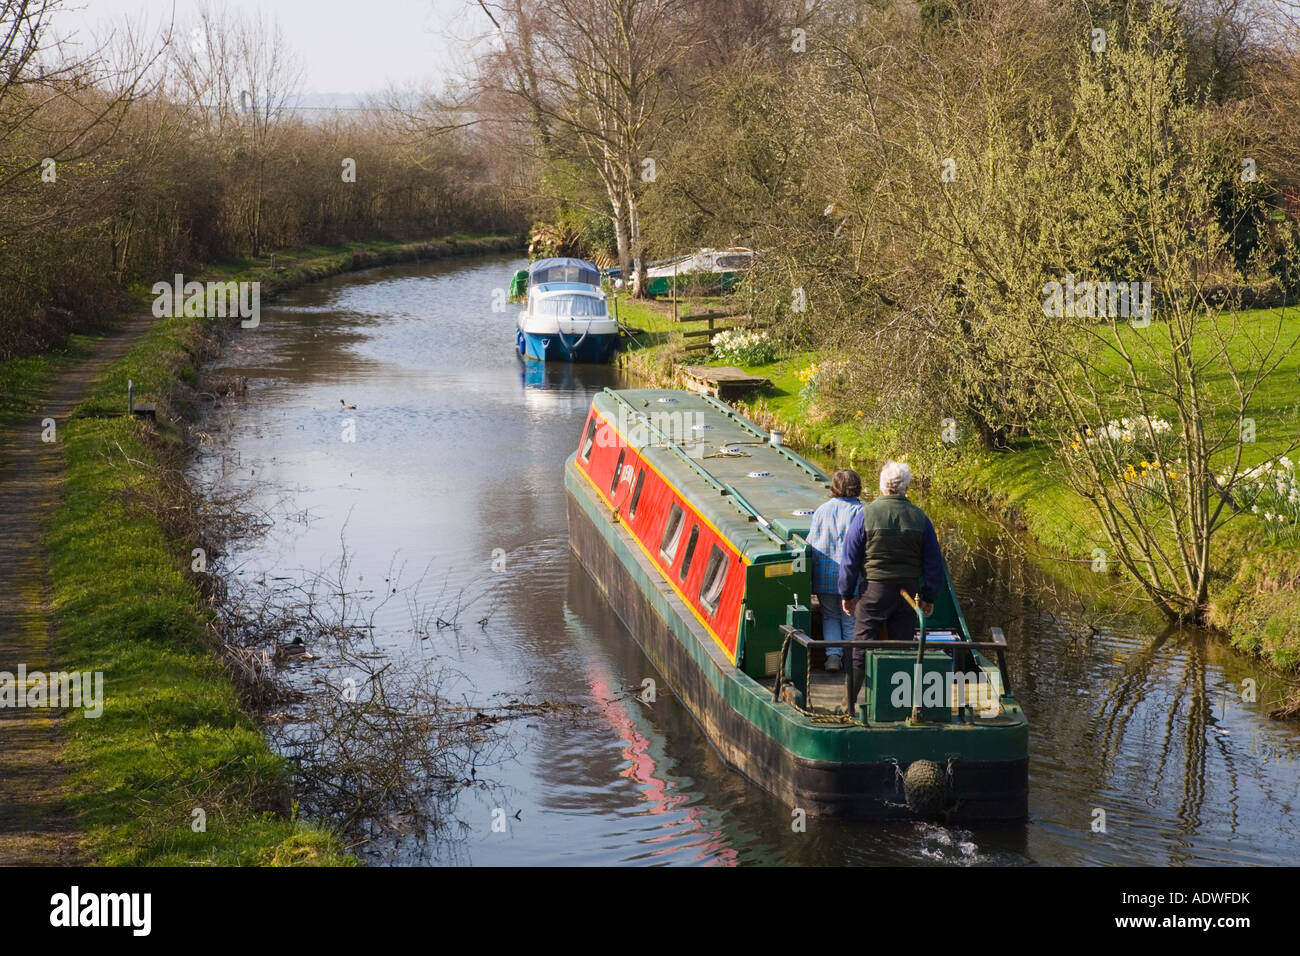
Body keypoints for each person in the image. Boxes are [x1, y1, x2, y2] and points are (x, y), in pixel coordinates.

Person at [837, 461, 946, 712]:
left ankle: (847, 705)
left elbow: (850, 560)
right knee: (902, 646)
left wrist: (847, 594)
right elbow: (933, 563)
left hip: (874, 590)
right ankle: (896, 705)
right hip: (909, 593)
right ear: (906, 487)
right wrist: (928, 596)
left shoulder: (864, 515)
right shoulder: (920, 518)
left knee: (861, 645)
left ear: (882, 485)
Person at [805, 469, 863, 673]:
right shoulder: (860, 512)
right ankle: (851, 660)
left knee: (830, 616)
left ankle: (832, 657)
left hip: (825, 577)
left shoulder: (821, 510)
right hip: (851, 579)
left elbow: (810, 543)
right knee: (850, 618)